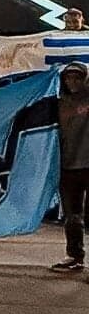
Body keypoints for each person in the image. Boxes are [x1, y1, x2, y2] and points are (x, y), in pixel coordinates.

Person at [51, 62, 89, 273]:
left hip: (87, 164)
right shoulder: (59, 104)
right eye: (68, 78)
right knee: (72, 215)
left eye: (77, 78)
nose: (72, 82)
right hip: (68, 165)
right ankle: (75, 255)